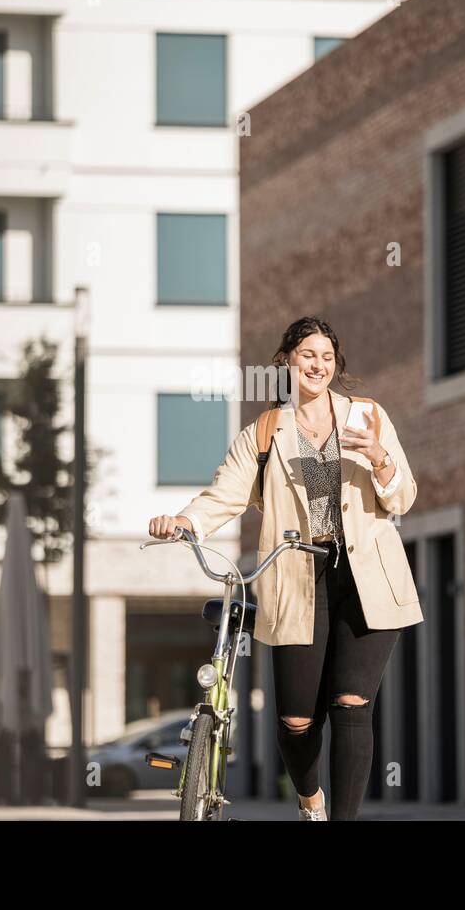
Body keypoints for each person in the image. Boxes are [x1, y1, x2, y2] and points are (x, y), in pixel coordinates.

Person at [148, 316, 422, 820]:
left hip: (367, 579)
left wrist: (381, 457)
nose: (318, 365)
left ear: (335, 364)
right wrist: (182, 521)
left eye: (326, 356)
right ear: (287, 361)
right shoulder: (266, 432)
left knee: (351, 704)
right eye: (306, 355)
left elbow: (403, 496)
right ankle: (310, 800)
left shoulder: (367, 417)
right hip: (296, 578)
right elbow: (223, 495)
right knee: (296, 719)